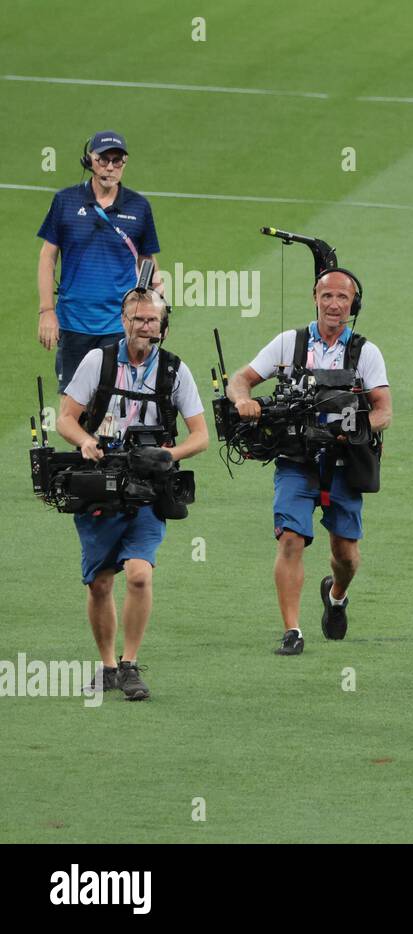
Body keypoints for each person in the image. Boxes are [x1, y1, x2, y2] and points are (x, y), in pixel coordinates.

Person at [226, 270, 393, 655]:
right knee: (290, 540)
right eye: (328, 296)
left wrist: (355, 429)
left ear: (354, 304)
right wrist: (242, 401)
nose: (335, 304)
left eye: (343, 298)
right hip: (296, 460)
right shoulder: (291, 343)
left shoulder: (365, 352)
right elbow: (241, 378)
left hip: (344, 463)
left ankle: (336, 596)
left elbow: (384, 410)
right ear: (315, 298)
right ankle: (292, 631)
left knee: (346, 556)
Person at [56, 286, 208, 700]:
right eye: (137, 318)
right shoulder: (97, 361)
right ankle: (107, 666)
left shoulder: (176, 371)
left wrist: (167, 454)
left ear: (163, 326)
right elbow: (65, 419)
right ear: (123, 321)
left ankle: (129, 664)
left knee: (140, 575)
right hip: (98, 484)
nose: (144, 326)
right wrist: (86, 440)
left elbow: (201, 436)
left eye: (151, 320)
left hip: (148, 488)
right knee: (100, 583)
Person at [38, 131, 162, 392]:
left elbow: (148, 262)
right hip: (74, 324)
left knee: (118, 404)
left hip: (120, 324)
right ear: (89, 161)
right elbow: (47, 257)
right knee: (73, 408)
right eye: (103, 159)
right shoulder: (65, 201)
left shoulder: (139, 207)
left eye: (117, 160)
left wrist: (157, 312)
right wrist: (47, 311)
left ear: (124, 163)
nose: (110, 167)